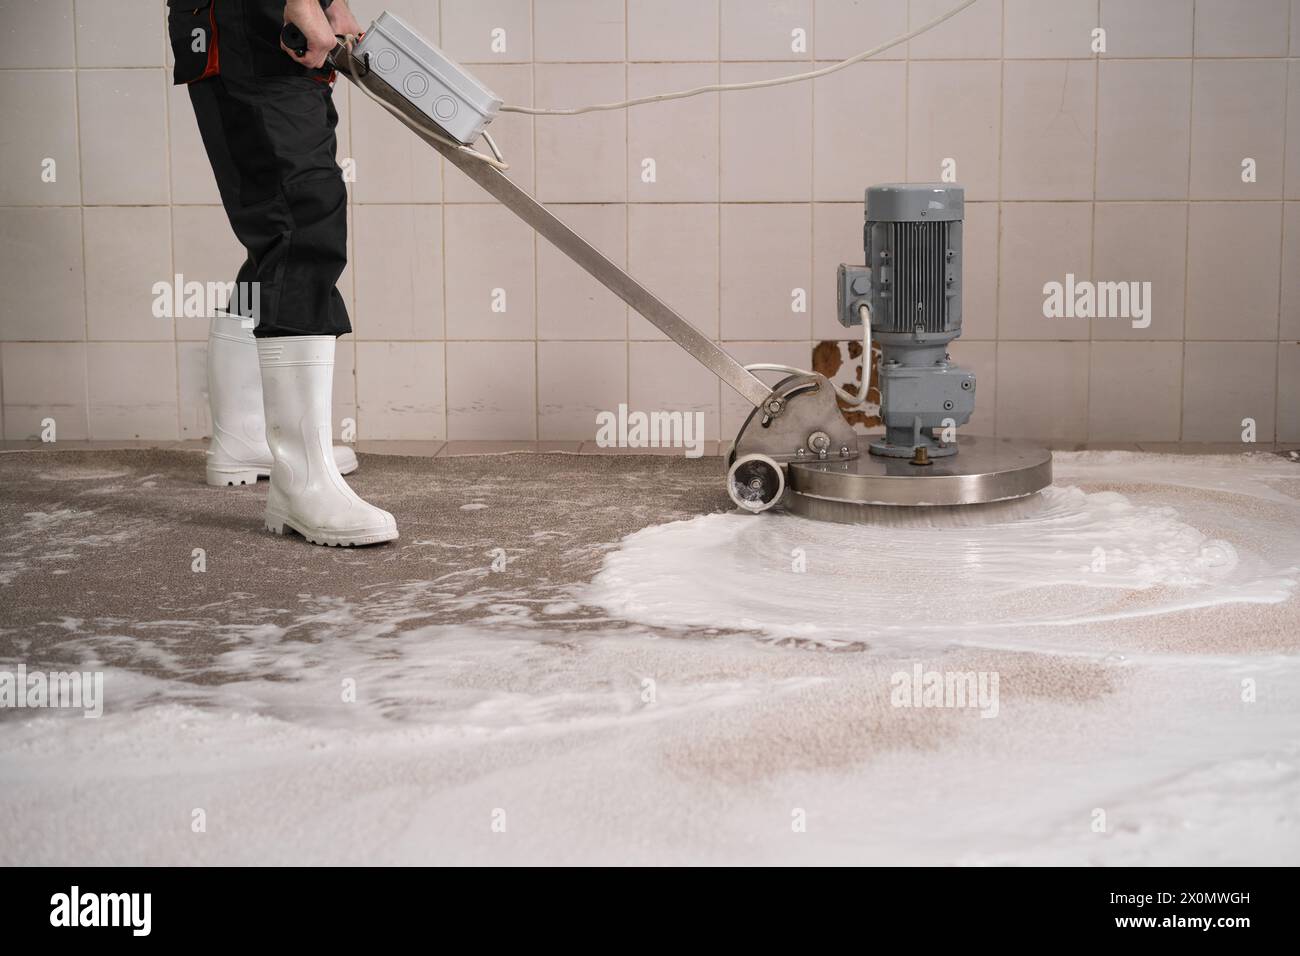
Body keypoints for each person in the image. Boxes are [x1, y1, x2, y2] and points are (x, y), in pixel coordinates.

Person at [167, 0, 397, 546]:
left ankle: (244, 436)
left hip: (267, 31)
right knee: (301, 223)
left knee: (279, 234)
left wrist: (331, 3)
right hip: (250, 26)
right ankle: (301, 483)